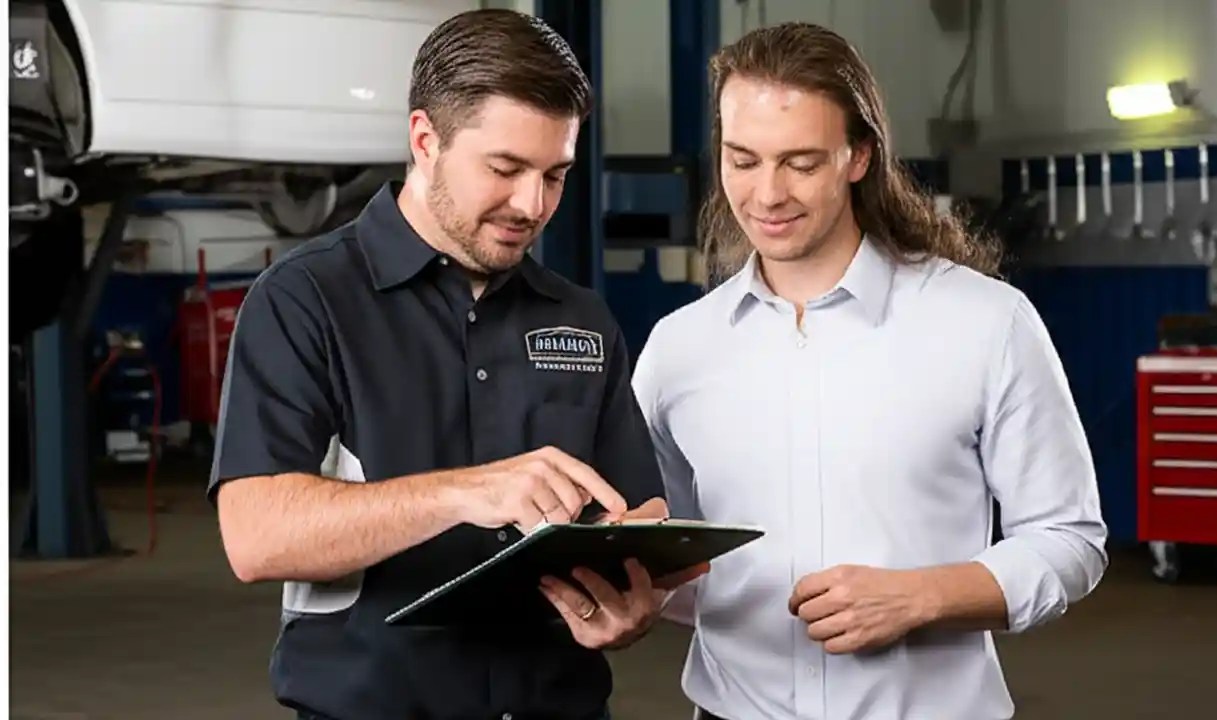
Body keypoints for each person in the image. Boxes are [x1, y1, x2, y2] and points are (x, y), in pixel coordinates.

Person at [209, 9, 701, 720]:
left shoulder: (582, 319)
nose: (532, 205)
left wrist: (633, 604)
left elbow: (639, 513)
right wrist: (465, 493)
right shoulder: (304, 300)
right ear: (425, 140)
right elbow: (255, 537)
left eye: (555, 175)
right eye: (504, 169)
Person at [632, 22, 1109, 720]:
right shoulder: (679, 349)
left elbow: (1069, 539)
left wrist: (923, 596)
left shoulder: (985, 322)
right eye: (742, 160)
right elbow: (666, 553)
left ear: (858, 156)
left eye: (800, 163)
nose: (766, 194)